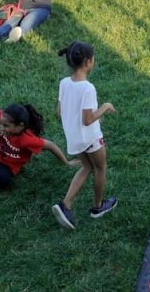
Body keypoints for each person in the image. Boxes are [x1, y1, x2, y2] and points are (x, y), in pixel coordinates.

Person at [51, 41, 117, 230]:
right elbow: (88, 120)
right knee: (100, 168)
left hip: (74, 138)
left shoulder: (64, 83)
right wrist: (104, 107)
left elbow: (60, 111)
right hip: (90, 138)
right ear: (88, 61)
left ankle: (66, 204)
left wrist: (91, 115)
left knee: (86, 167)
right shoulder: (88, 88)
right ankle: (97, 207)